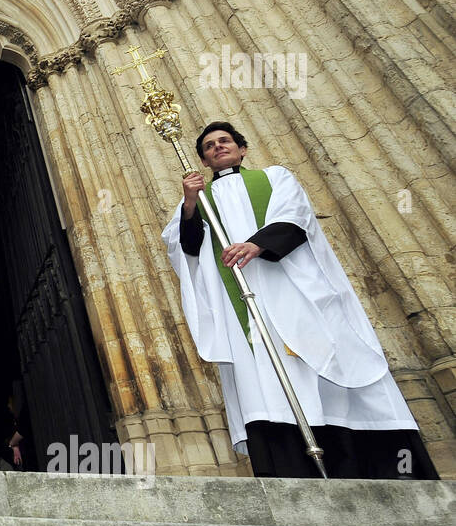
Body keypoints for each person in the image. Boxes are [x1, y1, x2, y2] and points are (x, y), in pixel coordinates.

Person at [162, 121, 438, 479]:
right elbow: (185, 246)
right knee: (265, 381)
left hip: (293, 290)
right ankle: (295, 470)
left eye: (225, 141)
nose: (218, 147)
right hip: (244, 309)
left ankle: (368, 464)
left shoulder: (274, 177)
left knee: (328, 363)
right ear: (203, 160)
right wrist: (188, 201)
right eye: (210, 146)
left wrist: (257, 244)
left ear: (242, 149)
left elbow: (295, 215)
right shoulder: (201, 201)